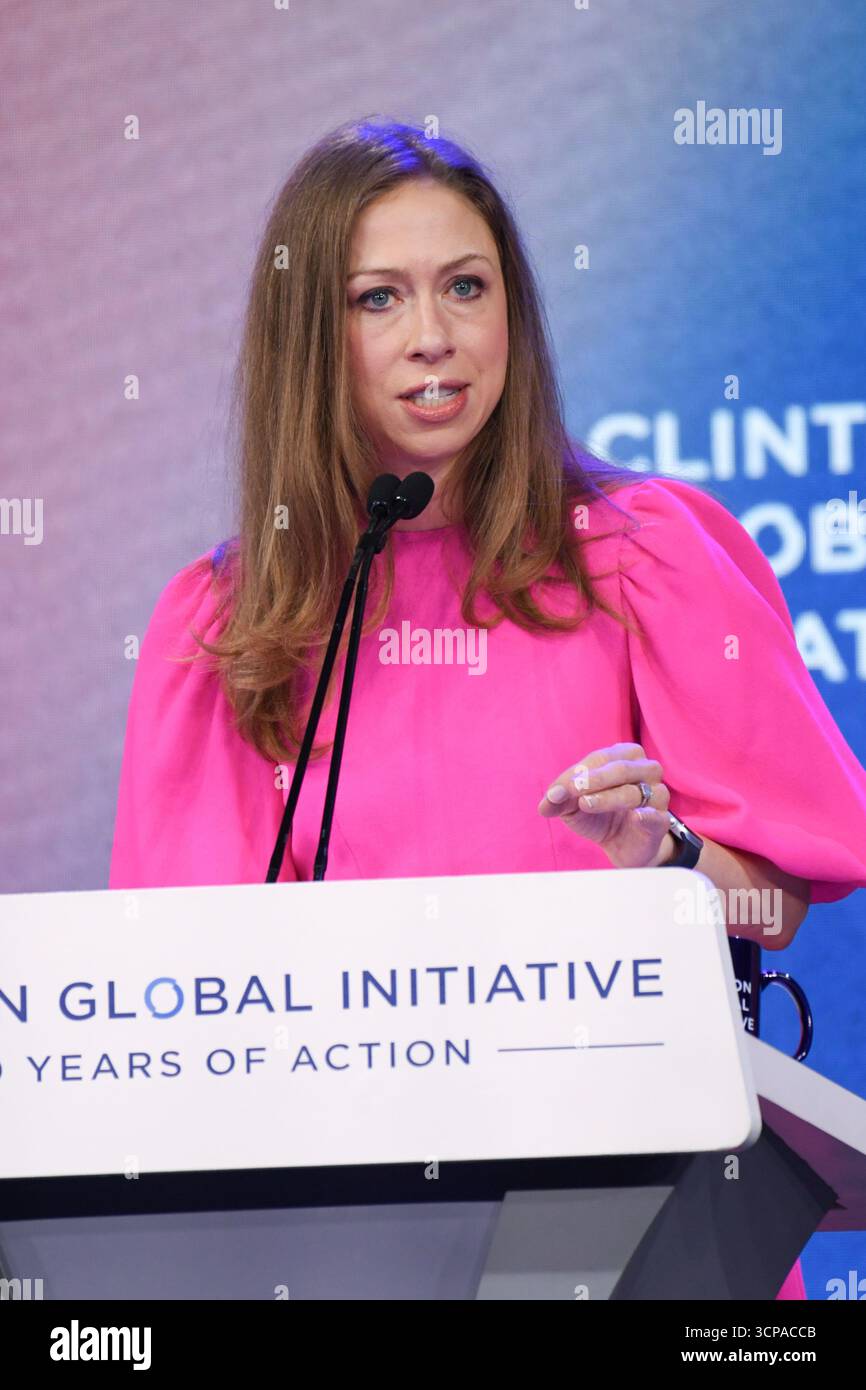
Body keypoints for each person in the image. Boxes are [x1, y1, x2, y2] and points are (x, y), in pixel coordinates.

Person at [109, 118, 866, 1301]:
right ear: (313, 335)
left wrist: (660, 854)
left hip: (639, 1217)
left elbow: (769, 909)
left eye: (466, 287)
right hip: (350, 1236)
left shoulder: (638, 556)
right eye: (378, 299)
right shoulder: (227, 626)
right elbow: (187, 995)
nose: (434, 338)